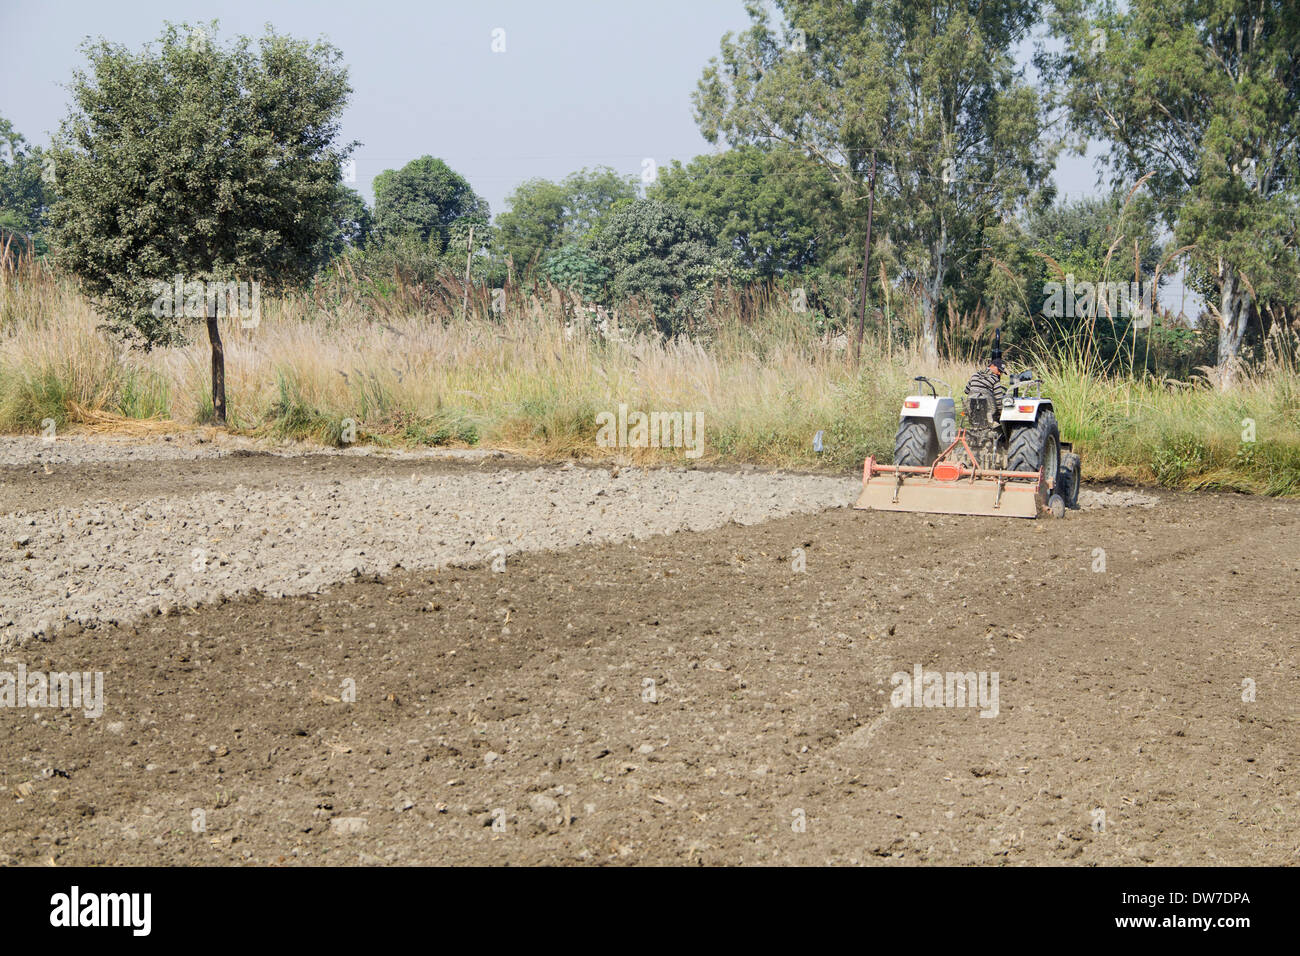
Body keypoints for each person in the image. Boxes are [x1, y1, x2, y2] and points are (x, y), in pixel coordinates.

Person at [964, 335, 1006, 468]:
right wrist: (1000, 414)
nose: (999, 374)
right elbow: (999, 401)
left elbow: (967, 392)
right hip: (989, 420)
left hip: (972, 417)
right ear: (993, 367)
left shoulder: (975, 375)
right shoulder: (994, 380)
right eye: (999, 371)